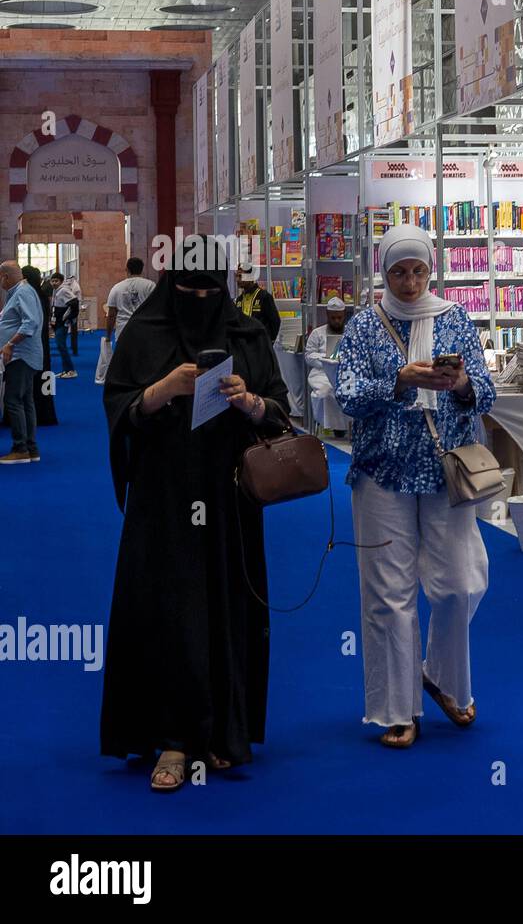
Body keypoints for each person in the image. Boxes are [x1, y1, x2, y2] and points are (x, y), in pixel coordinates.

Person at [100, 235, 292, 792]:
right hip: (163, 500)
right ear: (169, 285)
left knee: (229, 603)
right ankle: (174, 738)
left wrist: (250, 402)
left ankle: (223, 731)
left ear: (225, 288)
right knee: (170, 606)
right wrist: (164, 389)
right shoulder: (146, 333)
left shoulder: (248, 334)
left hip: (231, 497)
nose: (199, 299)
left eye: (210, 289)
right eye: (188, 289)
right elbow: (120, 407)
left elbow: (280, 410)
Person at [335, 224, 497, 749]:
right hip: (381, 471)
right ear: (383, 272)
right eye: (398, 272)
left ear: (432, 270)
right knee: (388, 595)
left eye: (418, 271)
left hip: (446, 469)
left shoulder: (456, 320)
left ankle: (443, 677)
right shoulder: (363, 327)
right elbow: (349, 396)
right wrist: (400, 381)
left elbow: (486, 394)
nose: (409, 282)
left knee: (460, 584)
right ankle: (395, 710)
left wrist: (464, 383)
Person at [0, 261, 43, 464]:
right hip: (23, 356)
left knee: (13, 400)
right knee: (26, 401)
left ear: (6, 276)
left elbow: (30, 323)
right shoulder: (20, 292)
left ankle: (20, 448)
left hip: (21, 356)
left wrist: (9, 343)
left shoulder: (22, 292)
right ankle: (30, 447)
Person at [305, 296, 350, 436]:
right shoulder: (317, 333)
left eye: (339, 318)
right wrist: (325, 360)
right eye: (333, 318)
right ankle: (328, 426)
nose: (337, 321)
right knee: (326, 393)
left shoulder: (351, 332)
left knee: (350, 392)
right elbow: (308, 356)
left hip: (346, 373)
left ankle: (346, 427)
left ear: (344, 315)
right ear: (327, 315)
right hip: (322, 373)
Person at [19, 265, 57, 426]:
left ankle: (35, 415)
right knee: (42, 379)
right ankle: (44, 413)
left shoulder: (30, 297)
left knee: (31, 381)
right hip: (42, 344)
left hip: (31, 344)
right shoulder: (41, 296)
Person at [105, 256, 156, 341]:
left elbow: (111, 315)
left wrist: (108, 336)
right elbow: (156, 310)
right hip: (144, 331)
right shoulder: (150, 286)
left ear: (127, 269)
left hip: (123, 333)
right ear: (142, 269)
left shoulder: (117, 288)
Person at [234, 265, 281, 341]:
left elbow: (275, 321)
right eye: (236, 276)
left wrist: (268, 342)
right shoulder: (239, 300)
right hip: (244, 346)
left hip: (261, 345)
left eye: (241, 276)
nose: (237, 279)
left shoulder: (264, 296)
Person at [50, 273, 76, 378]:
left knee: (61, 346)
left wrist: (69, 318)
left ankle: (71, 370)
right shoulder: (55, 291)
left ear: (61, 281)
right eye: (52, 281)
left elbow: (74, 303)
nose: (54, 283)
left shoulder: (64, 290)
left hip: (62, 323)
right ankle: (65, 369)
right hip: (57, 322)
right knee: (61, 346)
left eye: (56, 281)